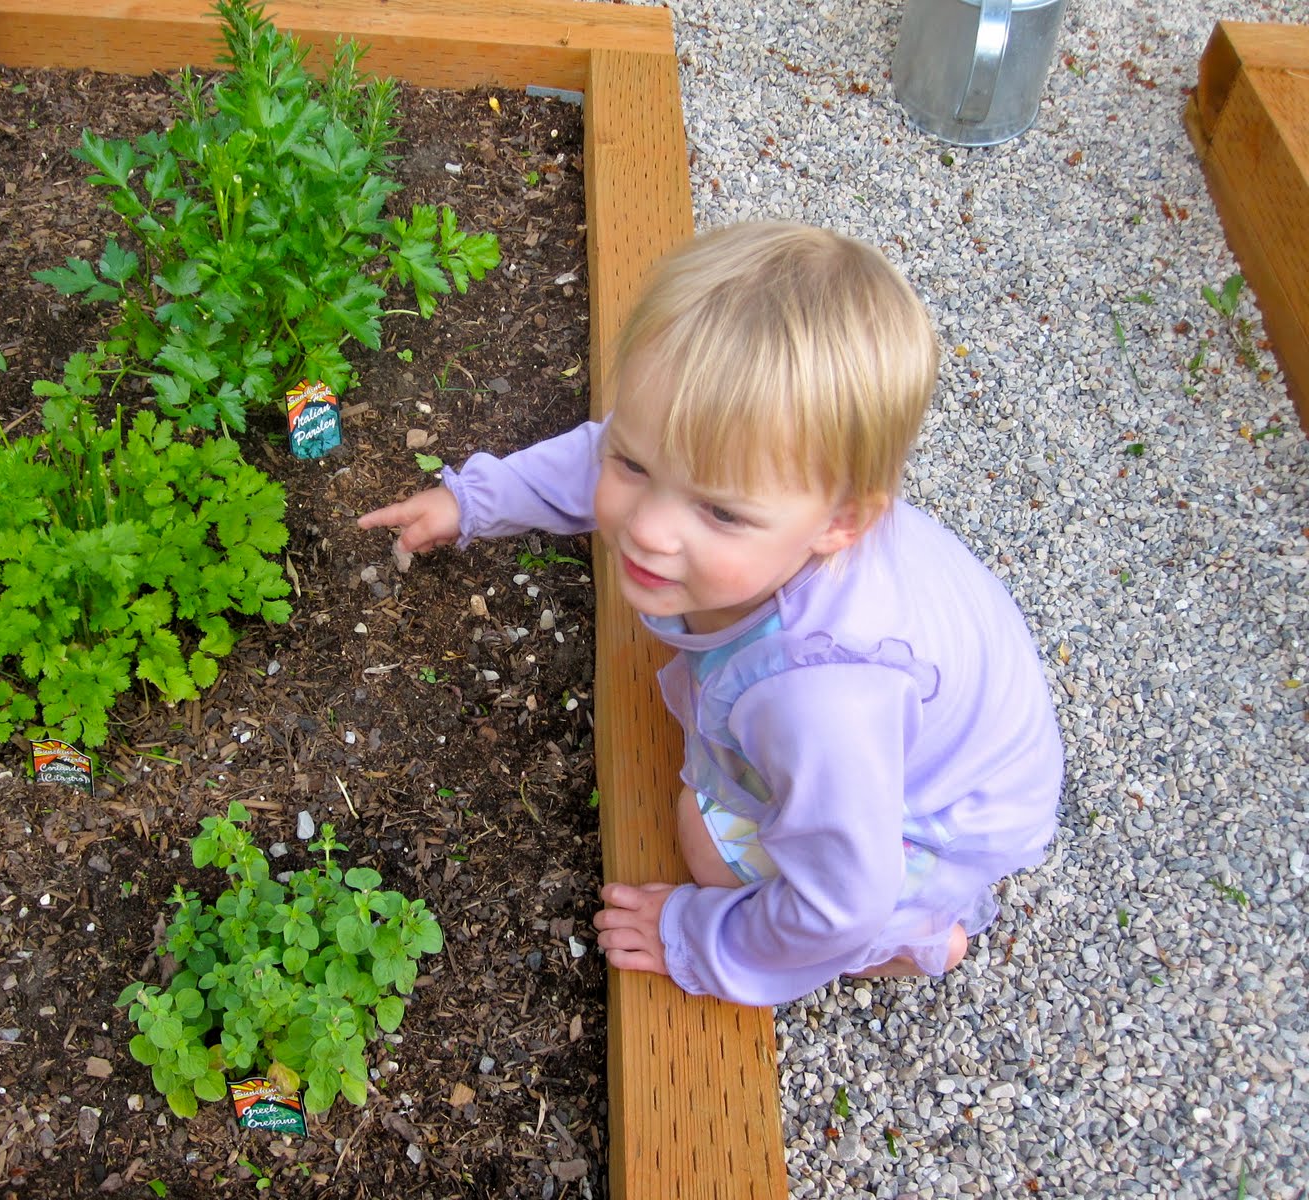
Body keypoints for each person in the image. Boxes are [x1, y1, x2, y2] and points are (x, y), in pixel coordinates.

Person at [358, 221, 1062, 1006]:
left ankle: (921, 935)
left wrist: (695, 936)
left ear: (842, 524)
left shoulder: (818, 700)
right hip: (940, 731)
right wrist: (472, 501)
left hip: (938, 816)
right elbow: (597, 448)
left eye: (720, 514)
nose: (649, 529)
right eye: (636, 465)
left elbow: (838, 900)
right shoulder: (773, 507)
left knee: (702, 834)